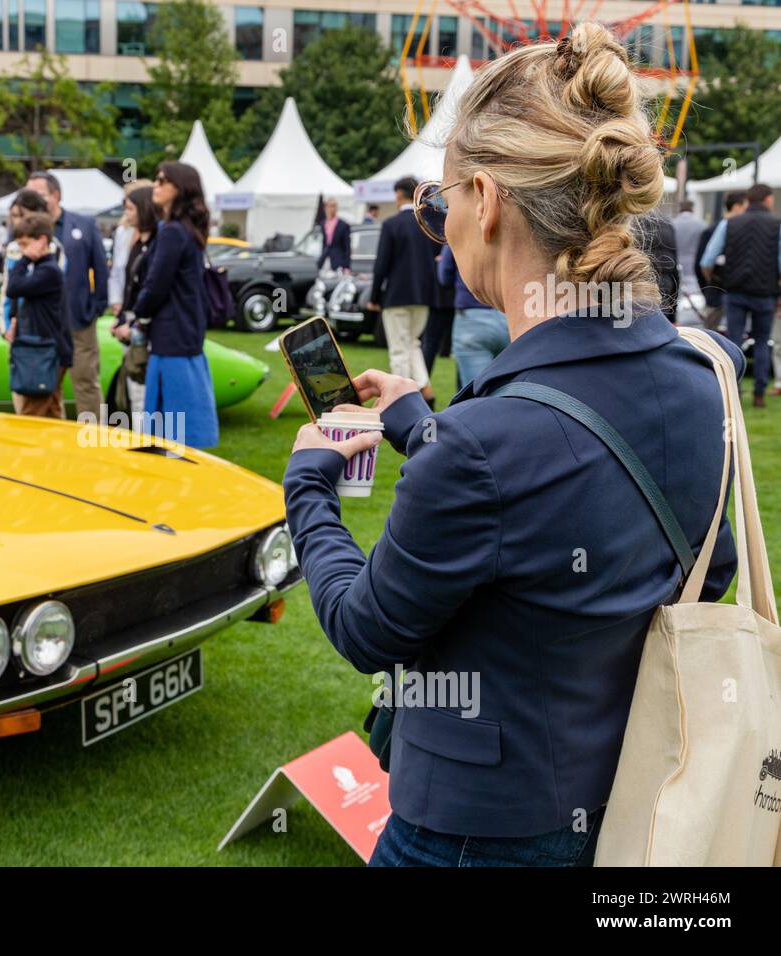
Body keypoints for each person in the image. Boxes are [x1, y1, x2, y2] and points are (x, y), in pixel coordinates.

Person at [283, 23, 742, 868]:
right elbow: (697, 565)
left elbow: (364, 628)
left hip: (469, 829)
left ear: (486, 202)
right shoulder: (700, 376)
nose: (439, 224)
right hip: (630, 795)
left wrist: (309, 483)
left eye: (439, 202)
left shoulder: (486, 446)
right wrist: (418, 425)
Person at [127, 162, 219, 449]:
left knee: (173, 428)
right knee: (183, 418)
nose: (155, 184)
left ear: (179, 188)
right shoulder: (184, 230)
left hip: (172, 337)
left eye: (162, 180)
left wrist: (137, 315)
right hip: (185, 331)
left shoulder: (172, 232)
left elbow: (155, 284)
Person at [26, 171, 108, 420]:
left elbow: (100, 268)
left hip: (78, 319)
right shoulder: (27, 228)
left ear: (55, 196)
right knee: (47, 385)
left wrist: (96, 307)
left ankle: (93, 439)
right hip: (43, 323)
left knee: (85, 381)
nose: (34, 201)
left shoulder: (83, 225)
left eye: (39, 194)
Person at [699, 181, 780, 407]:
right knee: (763, 341)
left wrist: (713, 280)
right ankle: (759, 393)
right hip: (765, 292)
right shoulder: (777, 225)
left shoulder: (729, 224)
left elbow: (707, 259)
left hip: (734, 291)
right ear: (768, 200)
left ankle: (733, 390)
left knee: (733, 341)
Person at [367, 176, 440, 408]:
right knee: (412, 344)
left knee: (399, 349)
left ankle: (400, 401)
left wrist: (374, 297)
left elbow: (381, 265)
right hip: (424, 295)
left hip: (397, 296)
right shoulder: (427, 222)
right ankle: (424, 389)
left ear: (399, 195)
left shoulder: (391, 225)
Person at [5, 212, 72, 419]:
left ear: (42, 241)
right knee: (51, 411)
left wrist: (24, 259)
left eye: (24, 244)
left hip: (45, 351)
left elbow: (13, 287)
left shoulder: (48, 271)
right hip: (48, 349)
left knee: (32, 414)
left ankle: (29, 451)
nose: (21, 251)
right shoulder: (41, 270)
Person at [110, 185, 159, 421]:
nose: (126, 215)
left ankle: (150, 449)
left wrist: (134, 326)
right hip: (132, 329)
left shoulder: (156, 247)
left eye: (130, 209)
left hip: (146, 335)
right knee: (133, 397)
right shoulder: (136, 246)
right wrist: (121, 321)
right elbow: (131, 289)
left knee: (143, 397)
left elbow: (150, 294)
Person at [437, 244, 508, 383]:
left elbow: (444, 277)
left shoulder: (456, 233)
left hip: (471, 317)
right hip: (507, 316)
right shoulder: (511, 232)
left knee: (475, 390)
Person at [0, 188, 61, 338]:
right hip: (18, 325)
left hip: (43, 326)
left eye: (21, 215)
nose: (17, 221)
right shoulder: (14, 248)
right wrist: (7, 324)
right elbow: (8, 289)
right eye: (13, 216)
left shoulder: (53, 249)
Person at [695, 191, 746, 335]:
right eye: (745, 207)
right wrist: (709, 283)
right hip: (717, 288)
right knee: (711, 332)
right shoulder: (715, 229)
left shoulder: (737, 229)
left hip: (724, 287)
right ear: (736, 207)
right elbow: (702, 262)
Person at [108, 178, 154, 317]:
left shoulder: (159, 235)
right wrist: (116, 300)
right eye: (125, 203)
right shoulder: (122, 232)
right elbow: (116, 269)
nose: (126, 209)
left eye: (131, 205)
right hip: (126, 303)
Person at [672, 199, 706, 295]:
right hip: (694, 265)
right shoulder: (701, 225)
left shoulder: (672, 224)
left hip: (675, 264)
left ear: (680, 209)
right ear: (692, 209)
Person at [317, 198, 351, 273]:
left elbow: (347, 247)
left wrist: (346, 266)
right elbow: (324, 242)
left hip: (338, 260)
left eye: (335, 206)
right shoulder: (323, 223)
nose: (333, 208)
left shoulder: (343, 225)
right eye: (331, 206)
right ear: (326, 208)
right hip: (325, 259)